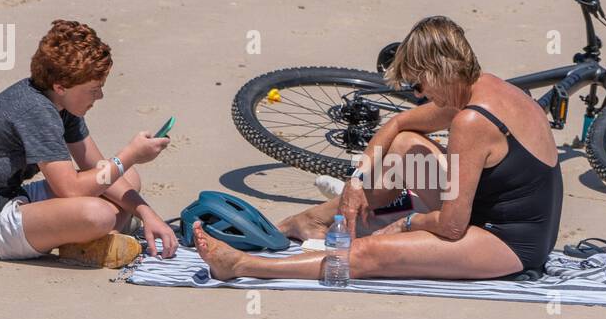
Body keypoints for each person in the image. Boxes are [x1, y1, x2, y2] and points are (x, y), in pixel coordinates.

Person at [193, 15, 563, 280]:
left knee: (367, 255)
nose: (419, 96)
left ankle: (241, 266)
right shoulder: (484, 86)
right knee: (403, 144)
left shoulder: (472, 121)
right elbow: (398, 123)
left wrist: (406, 225)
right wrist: (357, 181)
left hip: (509, 242)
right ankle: (315, 221)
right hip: (479, 210)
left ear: (436, 72)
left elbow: (452, 227)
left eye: (418, 86)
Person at [0, 19, 178, 267]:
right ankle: (94, 235)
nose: (100, 96)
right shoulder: (36, 111)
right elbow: (70, 190)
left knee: (127, 178)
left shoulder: (61, 102)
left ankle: (92, 237)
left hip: (9, 197)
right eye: (93, 89)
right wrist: (130, 155)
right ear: (60, 86)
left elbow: (96, 166)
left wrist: (147, 213)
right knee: (98, 212)